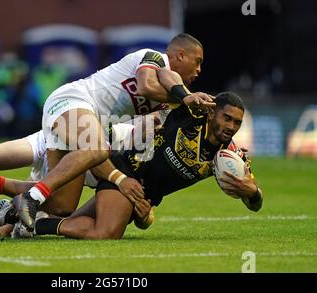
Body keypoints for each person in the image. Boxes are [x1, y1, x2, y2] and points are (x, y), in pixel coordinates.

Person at [0, 74, 263, 240]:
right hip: (126, 171)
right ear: (212, 111)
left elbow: (254, 201)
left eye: (236, 123)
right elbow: (162, 78)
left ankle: (5, 209)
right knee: (105, 232)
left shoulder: (227, 156)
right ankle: (37, 224)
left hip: (145, 196)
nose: (230, 127)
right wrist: (182, 91)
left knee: (68, 214)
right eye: (227, 118)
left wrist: (253, 194)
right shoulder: (191, 113)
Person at [11, 33, 216, 232]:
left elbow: (161, 139)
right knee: (99, 149)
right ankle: (31, 198)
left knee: (61, 205)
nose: (198, 70)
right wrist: (185, 97)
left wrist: (146, 210)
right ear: (181, 55)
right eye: (197, 62)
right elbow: (145, 86)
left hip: (90, 122)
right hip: (73, 100)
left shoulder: (169, 100)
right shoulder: (153, 57)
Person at [0, 92, 156, 230]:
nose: (154, 126)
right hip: (54, 143)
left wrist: (144, 217)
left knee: (11, 229)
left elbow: (145, 213)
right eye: (154, 121)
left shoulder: (149, 159)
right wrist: (119, 179)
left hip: (59, 173)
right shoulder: (126, 135)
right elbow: (94, 155)